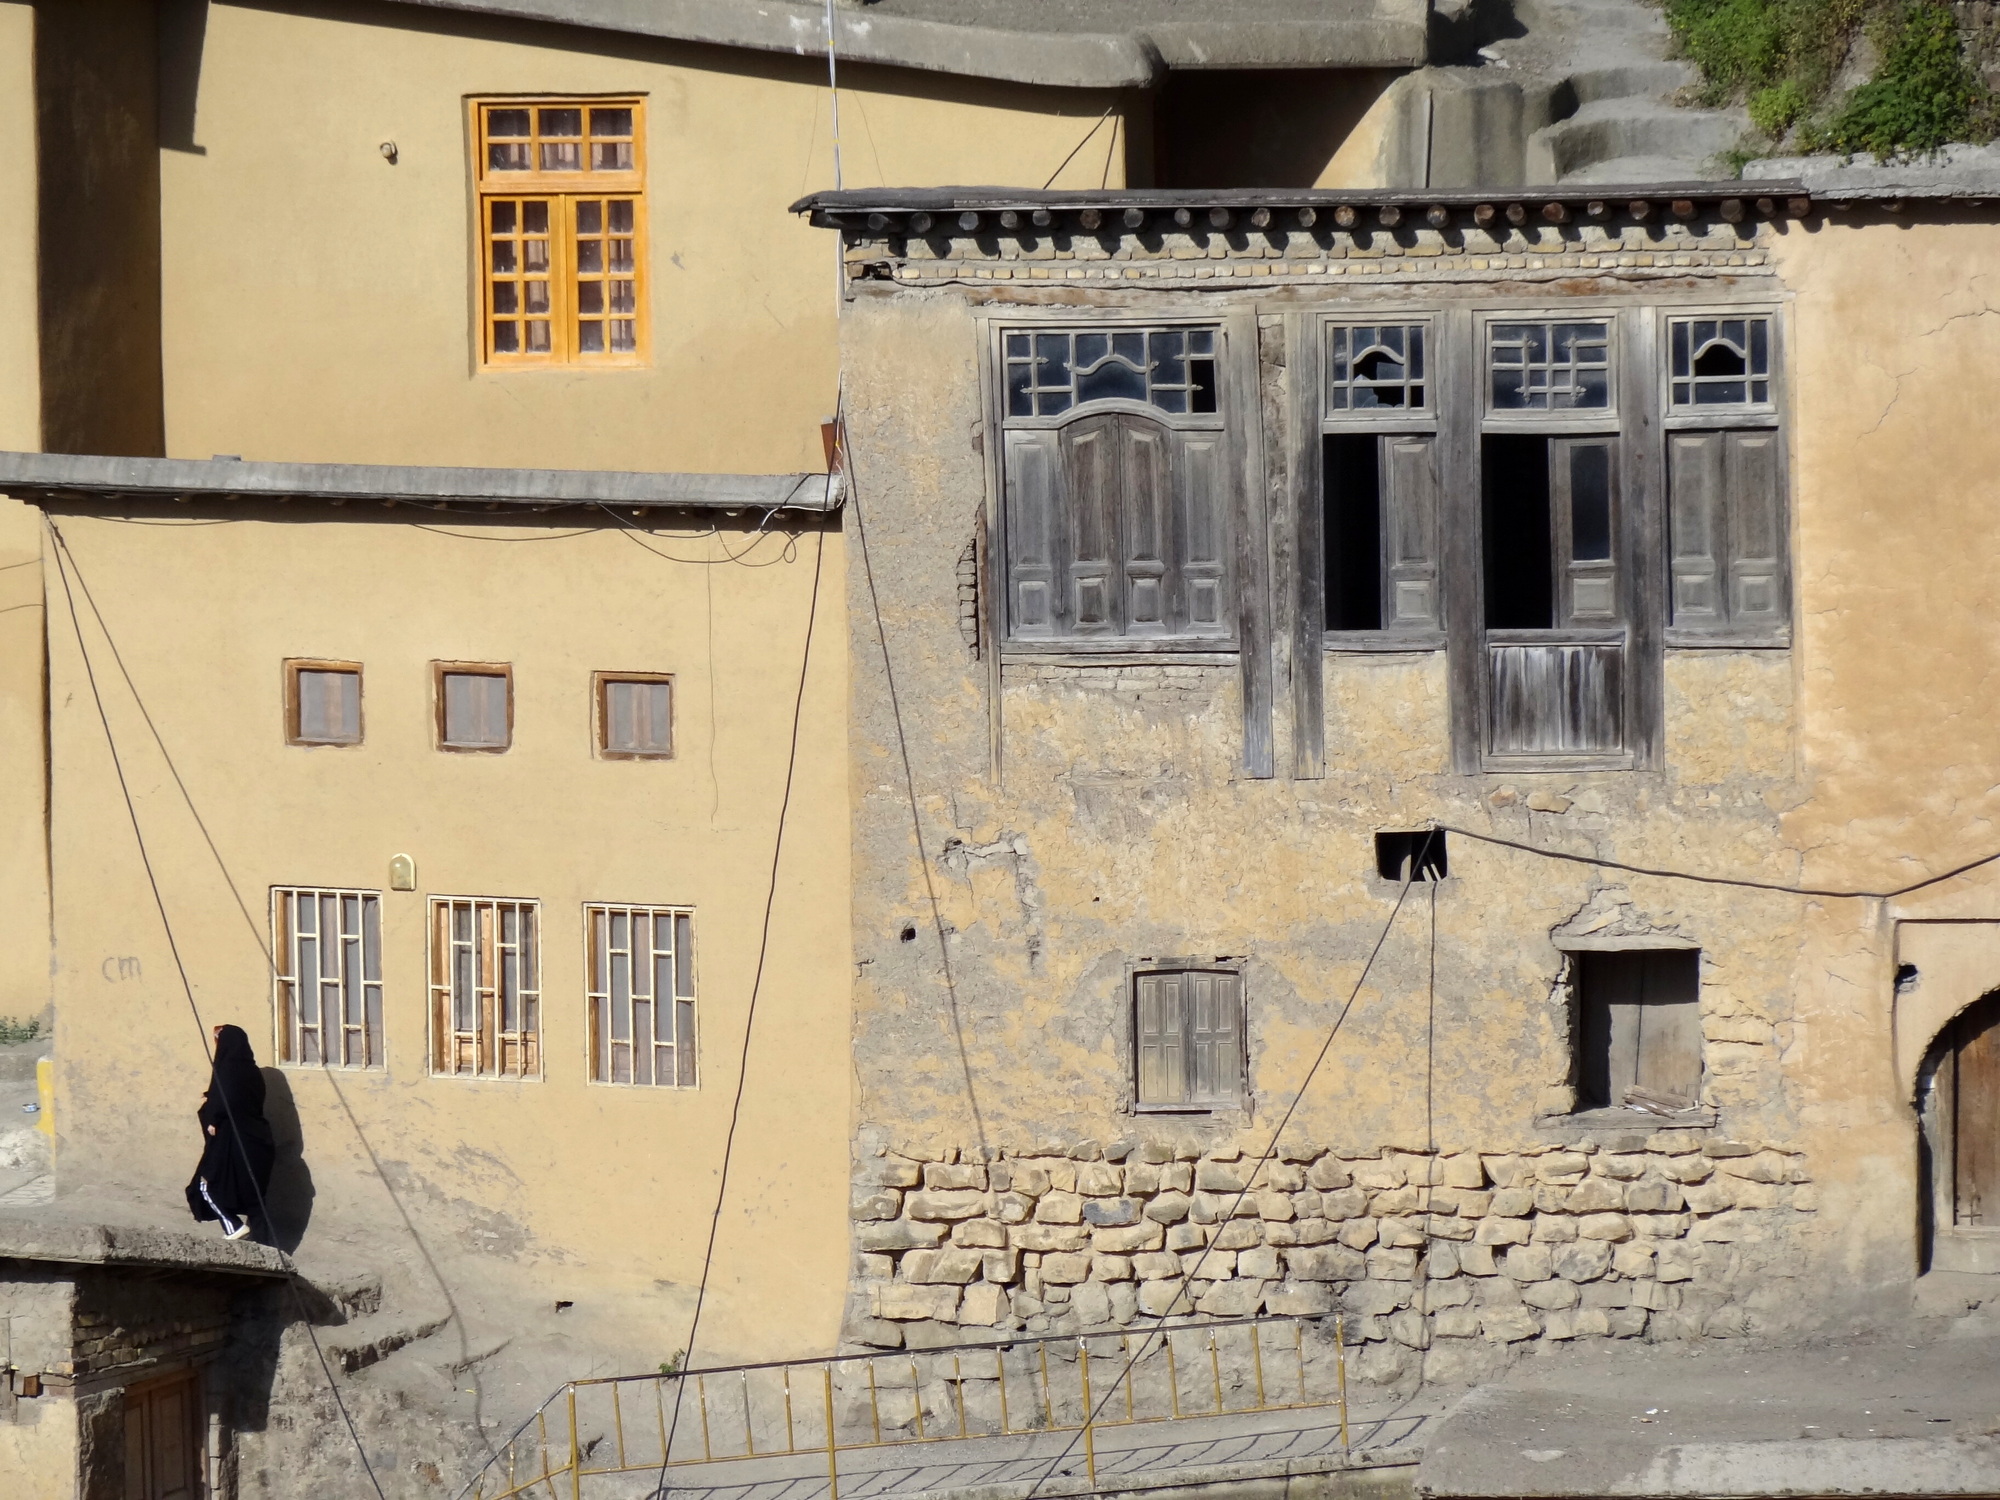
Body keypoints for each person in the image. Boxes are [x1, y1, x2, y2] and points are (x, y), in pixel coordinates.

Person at [184, 1023, 275, 1241]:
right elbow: (242, 1098)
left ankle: (232, 1226)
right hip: (258, 1140)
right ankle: (265, 1246)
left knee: (205, 1185)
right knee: (254, 1196)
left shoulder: (227, 1069)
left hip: (232, 1140)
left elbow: (227, 1099)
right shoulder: (252, 1072)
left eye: (218, 1039)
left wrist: (213, 1116)